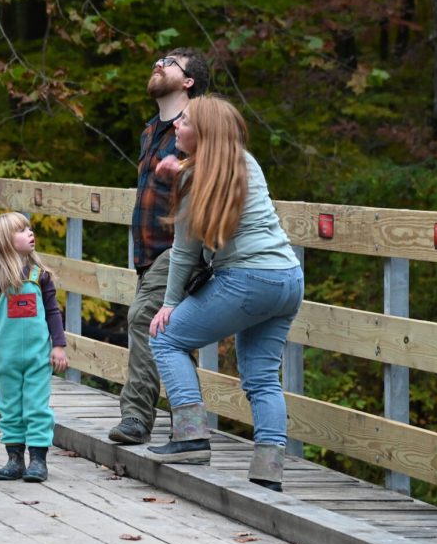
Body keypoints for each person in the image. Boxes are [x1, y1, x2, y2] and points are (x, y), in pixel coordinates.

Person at [145, 95, 303, 492]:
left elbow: (184, 252)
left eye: (184, 122)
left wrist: (168, 305)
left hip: (247, 280)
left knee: (166, 338)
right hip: (287, 279)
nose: (176, 127)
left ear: (203, 133)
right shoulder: (246, 163)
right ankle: (269, 472)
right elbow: (207, 170)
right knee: (264, 379)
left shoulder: (191, 177)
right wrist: (180, 166)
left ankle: (190, 436)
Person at [108, 48, 211, 445]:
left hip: (183, 247)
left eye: (170, 63)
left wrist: (183, 167)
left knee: (142, 318)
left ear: (188, 82)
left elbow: (218, 170)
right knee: (173, 334)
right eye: (159, 60)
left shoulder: (199, 126)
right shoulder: (151, 130)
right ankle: (189, 427)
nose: (159, 64)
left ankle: (136, 418)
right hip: (149, 253)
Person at [0, 212, 68, 483]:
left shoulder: (40, 276)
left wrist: (59, 346)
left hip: (37, 358)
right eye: (21, 231)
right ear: (3, 242)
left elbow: (53, 313)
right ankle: (14, 458)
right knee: (10, 405)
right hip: (7, 359)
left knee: (37, 406)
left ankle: (38, 459)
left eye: (29, 228)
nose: (30, 233)